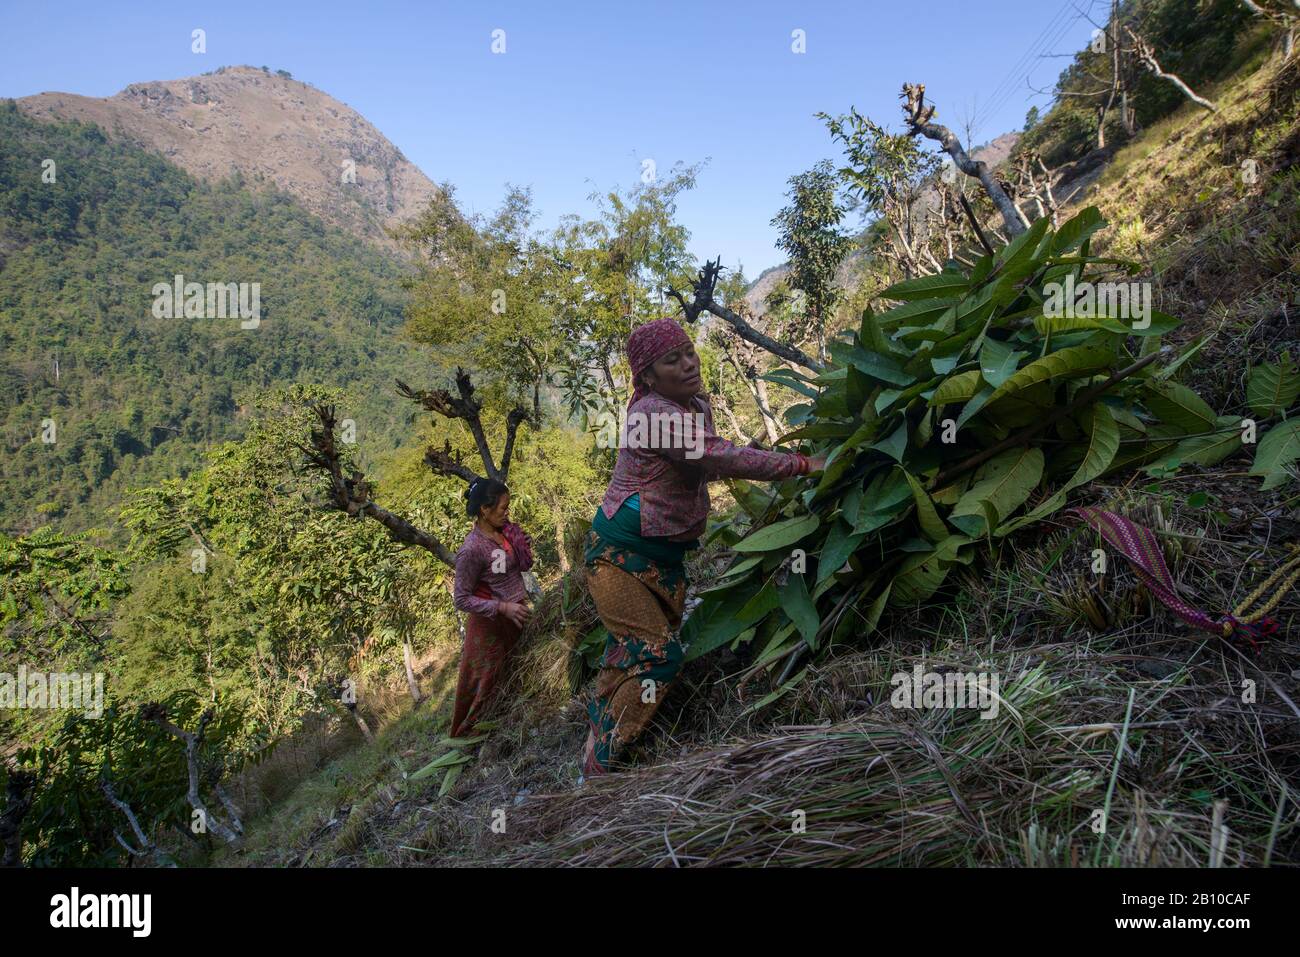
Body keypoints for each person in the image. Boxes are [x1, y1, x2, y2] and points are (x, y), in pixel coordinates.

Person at [581, 317, 825, 776]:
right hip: (619, 558)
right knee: (657, 656)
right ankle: (603, 765)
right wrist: (800, 464)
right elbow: (717, 455)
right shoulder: (653, 414)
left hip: (661, 556)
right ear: (647, 377)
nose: (689, 364)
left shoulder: (694, 406)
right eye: (672, 360)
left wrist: (757, 456)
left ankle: (599, 732)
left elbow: (707, 462)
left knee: (629, 649)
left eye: (689, 352)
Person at [450, 478, 533, 737]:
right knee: (486, 688)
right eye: (502, 508)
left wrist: (522, 548)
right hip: (489, 629)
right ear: (484, 510)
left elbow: (516, 568)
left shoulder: (505, 532)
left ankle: (511, 727)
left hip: (515, 617)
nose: (506, 513)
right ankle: (471, 738)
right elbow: (461, 599)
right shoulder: (471, 550)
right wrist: (501, 607)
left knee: (516, 675)